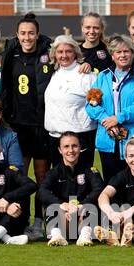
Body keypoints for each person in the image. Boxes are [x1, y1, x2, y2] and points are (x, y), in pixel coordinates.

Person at [0, 13, 54, 235]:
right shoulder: (11, 53)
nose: (27, 37)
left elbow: (71, 53)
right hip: (17, 125)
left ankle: (40, 222)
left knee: (42, 176)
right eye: (23, 33)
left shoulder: (47, 52)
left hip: (41, 125)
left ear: (37, 34)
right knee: (20, 175)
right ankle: (20, 221)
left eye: (31, 33)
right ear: (17, 34)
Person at [84, 35, 134, 182]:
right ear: (112, 56)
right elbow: (90, 104)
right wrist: (105, 119)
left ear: (132, 53)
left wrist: (118, 118)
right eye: (118, 52)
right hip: (108, 141)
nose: (122, 55)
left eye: (126, 51)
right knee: (112, 187)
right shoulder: (103, 77)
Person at [38, 132, 103, 246]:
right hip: (63, 219)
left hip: (82, 218)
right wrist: (62, 205)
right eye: (66, 146)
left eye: (74, 146)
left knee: (92, 205)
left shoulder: (90, 170)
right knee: (52, 207)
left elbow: (99, 189)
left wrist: (81, 205)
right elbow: (42, 191)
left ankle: (85, 237)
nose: (71, 150)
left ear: (80, 148)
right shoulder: (54, 172)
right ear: (59, 150)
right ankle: (56, 236)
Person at [43, 34, 95, 170]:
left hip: (79, 136)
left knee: (82, 181)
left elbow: (98, 105)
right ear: (54, 54)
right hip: (55, 137)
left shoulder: (87, 76)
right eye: (60, 52)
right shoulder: (53, 74)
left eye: (68, 51)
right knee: (60, 181)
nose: (64, 55)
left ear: (75, 53)